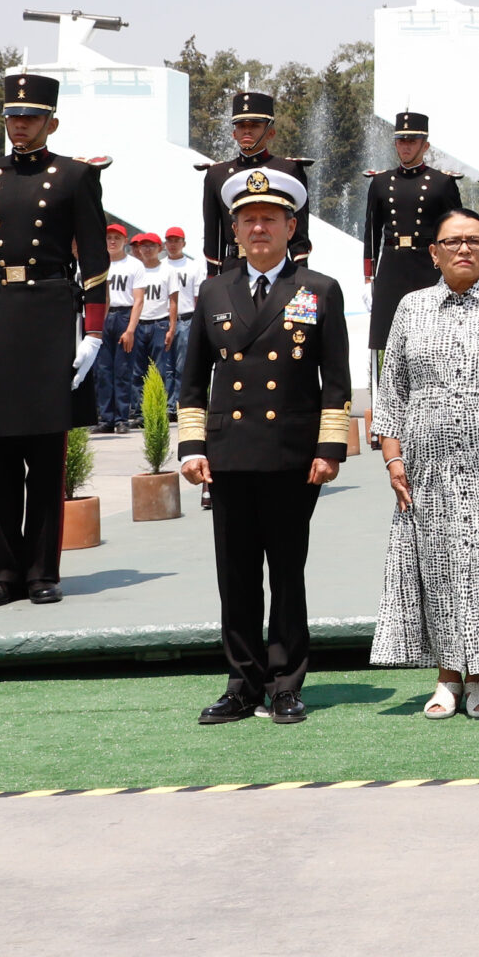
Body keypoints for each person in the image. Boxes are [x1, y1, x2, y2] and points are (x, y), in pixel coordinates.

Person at [178, 166, 352, 724]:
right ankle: (241, 683)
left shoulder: (318, 289)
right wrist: (191, 446)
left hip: (290, 455)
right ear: (234, 230)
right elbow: (191, 379)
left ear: (290, 226)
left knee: (286, 570)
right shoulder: (213, 291)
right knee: (234, 574)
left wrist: (330, 449)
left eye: (269, 219)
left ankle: (285, 683)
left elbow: (337, 380)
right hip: (228, 455)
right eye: (249, 220)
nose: (259, 229)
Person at [372, 206, 479, 718]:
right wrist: (393, 459)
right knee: (437, 567)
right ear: (434, 253)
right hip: (425, 468)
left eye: (474, 240)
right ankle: (447, 678)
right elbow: (392, 393)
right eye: (452, 242)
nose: (464, 249)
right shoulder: (411, 307)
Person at [0, 72, 111, 606]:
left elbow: (94, 264)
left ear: (51, 122)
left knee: (45, 451)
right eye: (13, 117)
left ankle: (42, 570)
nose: (20, 125)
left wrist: (91, 333)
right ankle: (2, 573)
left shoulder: (74, 177)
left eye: (31, 117)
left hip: (48, 313)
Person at [363, 111, 464, 354]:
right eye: (401, 141)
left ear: (425, 145)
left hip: (428, 268)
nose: (405, 147)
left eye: (412, 141)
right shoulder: (381, 183)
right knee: (389, 342)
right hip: (392, 267)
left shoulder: (441, 183)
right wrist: (368, 278)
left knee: (434, 339)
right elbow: (372, 233)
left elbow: (457, 230)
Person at [199, 89, 313, 276]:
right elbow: (213, 235)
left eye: (254, 125)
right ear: (233, 133)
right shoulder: (216, 174)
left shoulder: (288, 170)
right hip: (234, 270)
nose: (247, 130)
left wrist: (301, 275)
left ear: (270, 132)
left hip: (279, 268)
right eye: (241, 125)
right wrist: (213, 277)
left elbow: (299, 234)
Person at [121, 232, 180, 427]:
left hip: (159, 323)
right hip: (138, 323)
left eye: (151, 246)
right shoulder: (136, 269)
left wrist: (172, 328)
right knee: (137, 371)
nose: (147, 250)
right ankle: (139, 412)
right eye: (143, 246)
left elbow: (173, 302)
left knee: (160, 370)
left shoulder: (168, 270)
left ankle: (158, 409)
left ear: (159, 248)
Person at [97, 222, 138, 433]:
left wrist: (130, 328)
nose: (112, 242)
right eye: (109, 238)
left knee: (122, 369)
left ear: (125, 241)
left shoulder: (134, 265)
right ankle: (106, 418)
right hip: (103, 316)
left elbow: (139, 300)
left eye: (117, 238)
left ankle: (122, 418)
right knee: (103, 370)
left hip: (124, 315)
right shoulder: (99, 263)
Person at [161, 225, 207, 390]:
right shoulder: (159, 266)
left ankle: (180, 404)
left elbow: (198, 298)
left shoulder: (194, 266)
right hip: (162, 321)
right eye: (169, 241)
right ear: (165, 244)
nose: (173, 244)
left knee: (182, 365)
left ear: (184, 243)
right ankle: (166, 404)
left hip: (186, 320)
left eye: (176, 241)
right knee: (164, 365)